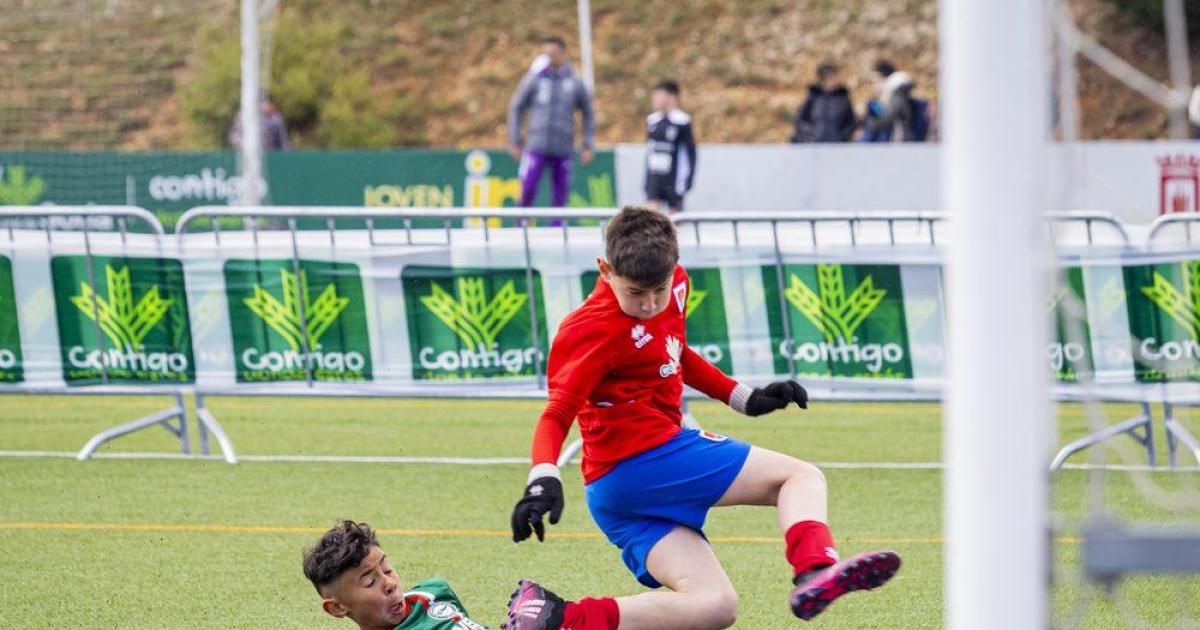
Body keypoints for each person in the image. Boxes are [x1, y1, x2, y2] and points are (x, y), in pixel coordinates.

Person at [503, 207, 901, 630]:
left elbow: (674, 351)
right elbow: (557, 412)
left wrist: (745, 398)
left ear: (674, 268)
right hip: (642, 460)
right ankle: (815, 569)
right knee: (800, 478)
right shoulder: (589, 328)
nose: (650, 304)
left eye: (658, 289)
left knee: (715, 605)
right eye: (635, 292)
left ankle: (555, 617)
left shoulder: (676, 287)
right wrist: (543, 478)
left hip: (619, 495)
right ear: (605, 269)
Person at [303, 520, 489, 630]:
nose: (389, 584)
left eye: (387, 570)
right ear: (336, 607)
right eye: (369, 582)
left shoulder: (434, 591)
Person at [507, 36, 596, 208]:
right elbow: (516, 106)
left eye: (553, 53)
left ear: (562, 54)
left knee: (561, 194)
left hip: (563, 147)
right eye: (546, 53)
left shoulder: (574, 81)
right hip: (536, 146)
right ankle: (521, 227)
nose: (549, 57)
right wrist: (515, 139)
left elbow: (588, 113)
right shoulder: (534, 78)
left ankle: (557, 229)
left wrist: (587, 143)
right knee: (528, 188)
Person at [644, 81, 697, 214]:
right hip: (655, 175)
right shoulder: (652, 121)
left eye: (660, 96)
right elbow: (650, 150)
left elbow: (690, 153)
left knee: (674, 221)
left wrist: (688, 179)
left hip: (674, 177)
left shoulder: (682, 121)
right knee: (651, 217)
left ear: (670, 98)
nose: (656, 100)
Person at [791, 62, 856, 143]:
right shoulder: (813, 97)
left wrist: (843, 136)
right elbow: (800, 120)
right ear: (823, 79)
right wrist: (811, 134)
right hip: (815, 144)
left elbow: (851, 122)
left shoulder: (843, 98)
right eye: (831, 77)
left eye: (835, 77)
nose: (835, 80)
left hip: (837, 145)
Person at [871, 60, 929, 143]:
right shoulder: (905, 94)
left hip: (903, 138)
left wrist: (872, 123)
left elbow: (889, 117)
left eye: (876, 79)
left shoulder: (897, 96)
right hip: (911, 137)